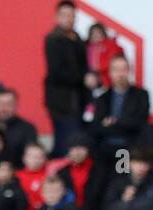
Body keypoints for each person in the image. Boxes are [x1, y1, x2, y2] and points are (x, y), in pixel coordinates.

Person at [43, 1, 87, 157]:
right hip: (61, 103)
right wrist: (84, 78)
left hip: (78, 103)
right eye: (65, 15)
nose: (69, 19)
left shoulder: (78, 39)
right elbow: (57, 73)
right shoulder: (54, 40)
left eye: (72, 16)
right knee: (65, 143)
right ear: (57, 17)